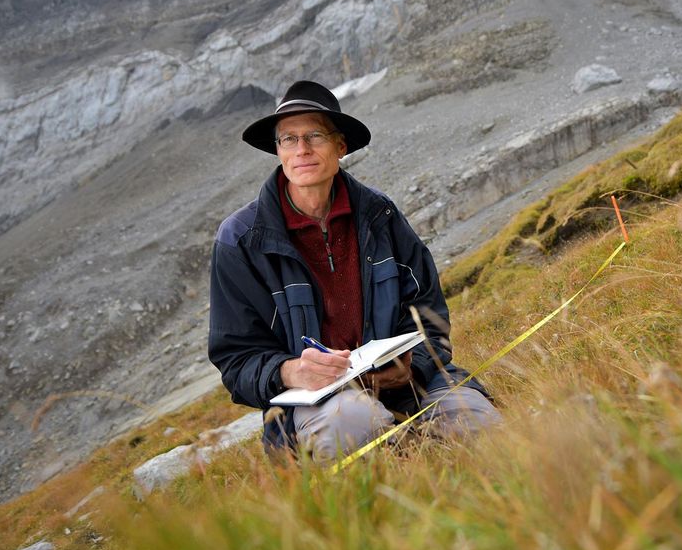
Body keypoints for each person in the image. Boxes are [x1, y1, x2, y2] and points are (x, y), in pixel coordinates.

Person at [208, 80, 500, 460]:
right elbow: (235, 361)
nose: (302, 150)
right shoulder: (240, 240)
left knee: (484, 429)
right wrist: (291, 371)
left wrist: (413, 367)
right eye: (289, 139)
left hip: (412, 387)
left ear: (340, 146)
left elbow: (430, 316)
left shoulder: (382, 215)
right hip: (314, 407)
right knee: (356, 422)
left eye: (315, 135)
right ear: (277, 150)